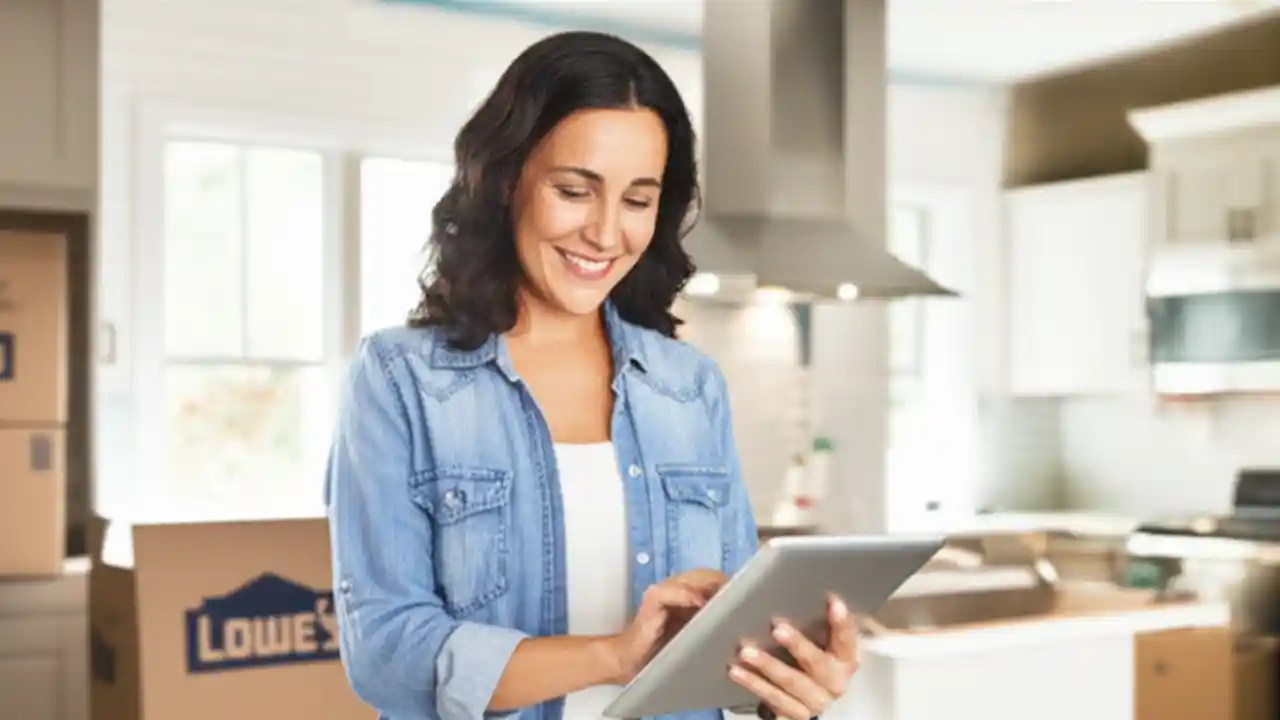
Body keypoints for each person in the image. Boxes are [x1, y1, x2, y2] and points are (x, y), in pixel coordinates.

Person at [324, 30, 860, 720]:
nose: (606, 234)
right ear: (506, 179)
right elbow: (387, 656)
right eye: (576, 190)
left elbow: (729, 635)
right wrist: (614, 653)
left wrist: (786, 683)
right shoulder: (400, 380)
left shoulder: (690, 386)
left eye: (637, 201)